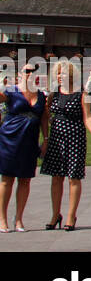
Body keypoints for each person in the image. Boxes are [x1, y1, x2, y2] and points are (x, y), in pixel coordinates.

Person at [42, 61, 91, 231]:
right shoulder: (54, 94)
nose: (59, 77)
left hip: (75, 136)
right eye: (57, 74)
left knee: (74, 177)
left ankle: (71, 216)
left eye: (62, 73)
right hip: (57, 136)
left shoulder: (81, 94)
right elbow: (47, 113)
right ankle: (55, 214)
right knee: (56, 177)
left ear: (71, 76)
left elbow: (87, 117)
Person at [0, 64, 47, 233]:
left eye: (33, 71)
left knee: (25, 179)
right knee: (7, 178)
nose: (30, 73)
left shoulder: (41, 95)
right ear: (20, 73)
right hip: (10, 138)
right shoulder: (11, 91)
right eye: (27, 70)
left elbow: (44, 118)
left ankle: (19, 218)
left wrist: (46, 140)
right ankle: (2, 218)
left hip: (29, 140)